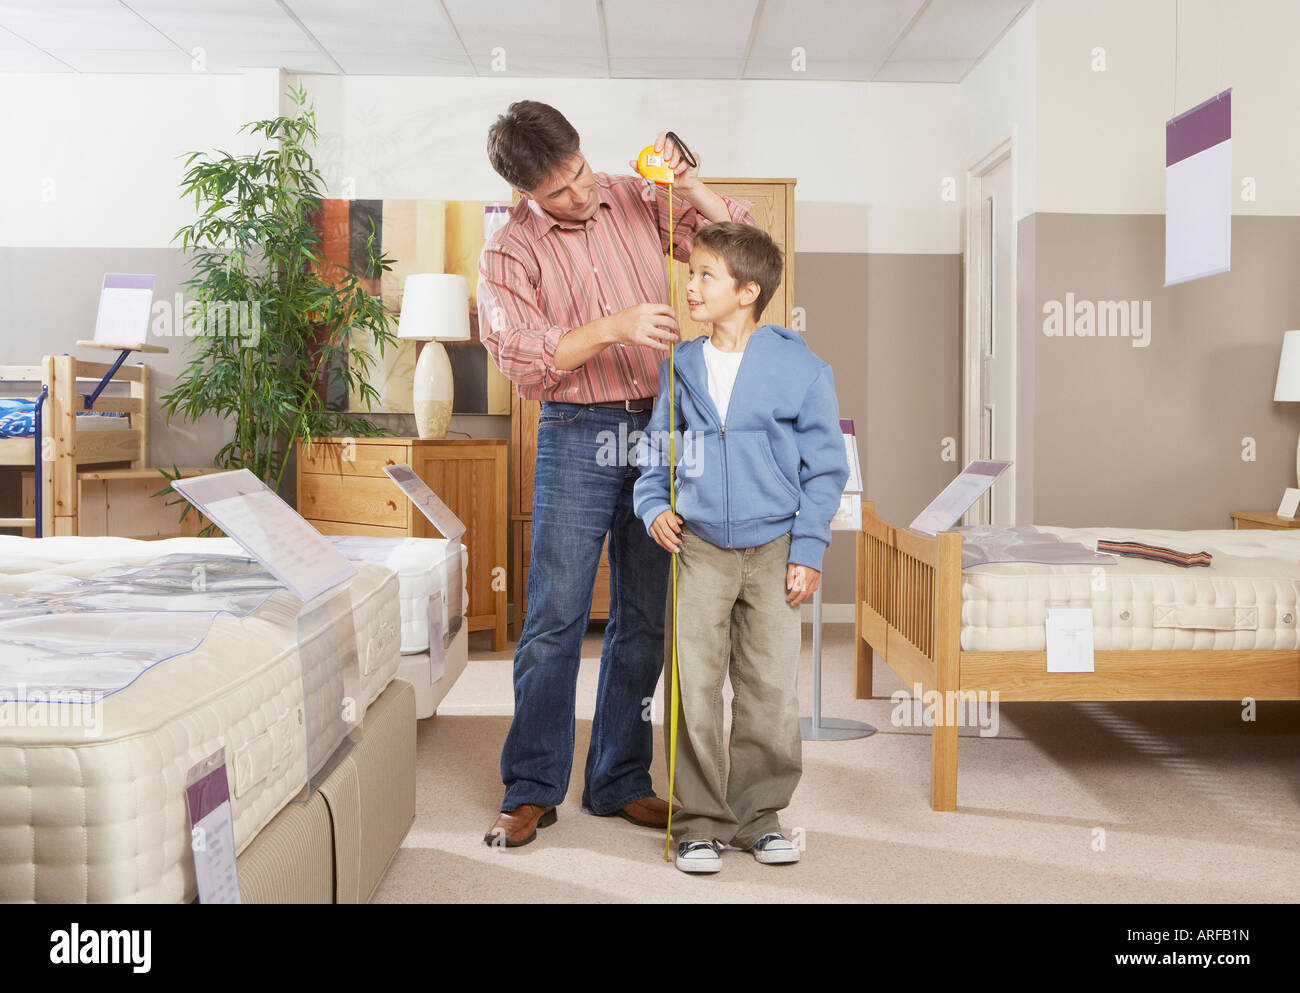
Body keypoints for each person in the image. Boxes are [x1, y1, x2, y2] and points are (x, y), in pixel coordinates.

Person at [476, 101, 760, 847]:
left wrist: (691, 185)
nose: (579, 194)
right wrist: (615, 327)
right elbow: (523, 357)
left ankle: (619, 778)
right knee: (555, 617)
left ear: (579, 152)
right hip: (576, 430)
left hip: (662, 427)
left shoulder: (633, 191)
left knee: (645, 614)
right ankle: (532, 785)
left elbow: (739, 245)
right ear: (526, 192)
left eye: (576, 173)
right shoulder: (508, 253)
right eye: (558, 191)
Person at [633, 221, 848, 873]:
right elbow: (656, 448)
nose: (690, 285)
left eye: (705, 275)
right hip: (698, 548)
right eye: (690, 271)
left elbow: (826, 469)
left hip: (776, 550)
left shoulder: (800, 368)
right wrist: (654, 504)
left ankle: (759, 815)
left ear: (748, 291)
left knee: (769, 690)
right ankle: (697, 821)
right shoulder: (682, 364)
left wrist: (808, 548)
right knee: (693, 687)